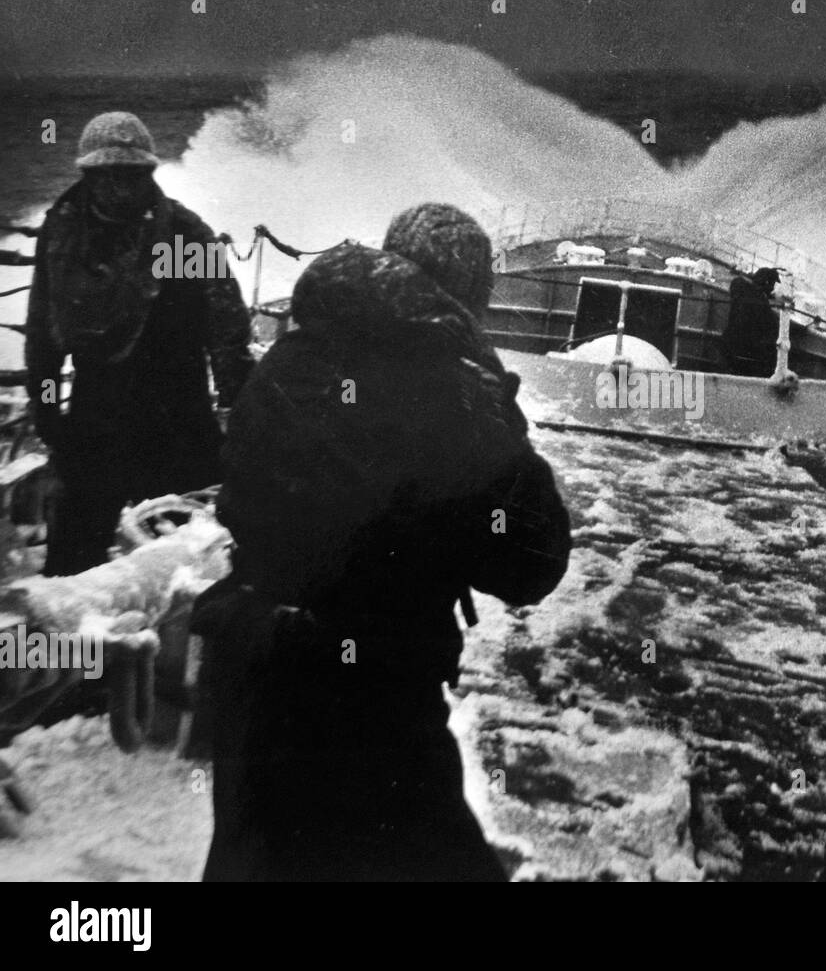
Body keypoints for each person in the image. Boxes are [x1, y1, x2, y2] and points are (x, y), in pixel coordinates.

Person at [193, 203, 571, 881]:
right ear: (469, 297)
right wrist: (500, 411)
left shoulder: (290, 355)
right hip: (369, 703)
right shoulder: (455, 393)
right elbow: (533, 563)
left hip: (250, 668)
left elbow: (244, 489)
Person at [24, 111, 254, 576]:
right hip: (95, 421)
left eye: (135, 174)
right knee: (71, 568)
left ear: (150, 172)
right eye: (111, 174)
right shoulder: (64, 233)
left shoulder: (183, 237)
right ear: (89, 175)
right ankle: (78, 646)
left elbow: (226, 333)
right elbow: (44, 331)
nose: (123, 186)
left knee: (194, 560)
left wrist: (240, 420)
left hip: (178, 420)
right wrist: (48, 412)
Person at [721, 267, 782, 376]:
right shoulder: (761, 301)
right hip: (747, 349)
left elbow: (739, 282)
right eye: (772, 284)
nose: (772, 288)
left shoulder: (739, 286)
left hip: (729, 342)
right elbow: (772, 323)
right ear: (766, 283)